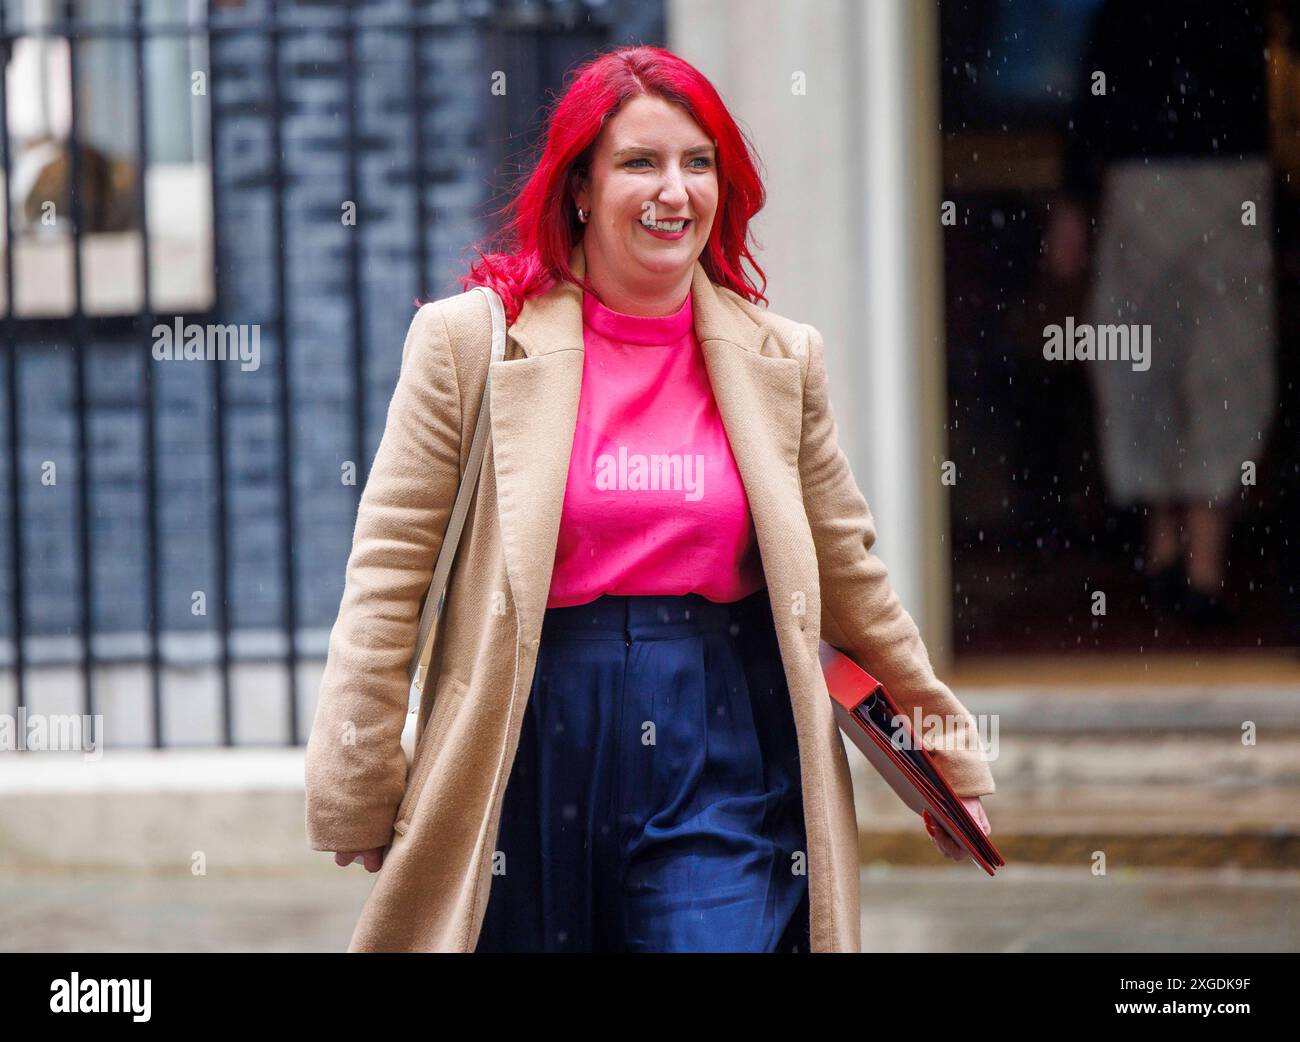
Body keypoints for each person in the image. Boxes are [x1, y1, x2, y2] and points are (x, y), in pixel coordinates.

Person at [304, 44, 995, 953]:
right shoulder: (468, 345)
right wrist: (357, 775)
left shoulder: (780, 359)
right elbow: (388, 573)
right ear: (580, 188)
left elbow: (851, 580)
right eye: (641, 163)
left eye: (697, 163)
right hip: (525, 731)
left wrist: (944, 744)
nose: (676, 191)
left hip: (718, 729)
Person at [1046, 0, 1278, 630]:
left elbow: (1093, 92)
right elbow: (1096, 90)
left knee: (1201, 366)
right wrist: (1073, 199)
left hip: (1205, 177)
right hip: (1174, 177)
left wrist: (1073, 199)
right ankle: (1181, 556)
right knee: (1166, 363)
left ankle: (1186, 559)